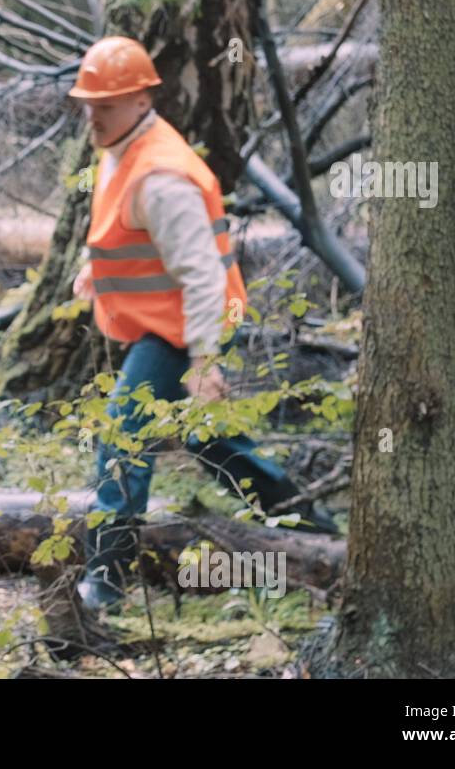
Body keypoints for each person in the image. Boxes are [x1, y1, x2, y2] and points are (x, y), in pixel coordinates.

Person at [67, 36, 339, 612]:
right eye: (87, 101)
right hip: (166, 321)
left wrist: (204, 363)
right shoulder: (118, 144)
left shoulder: (164, 179)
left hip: (192, 324)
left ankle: (105, 579)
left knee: (124, 432)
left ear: (142, 101)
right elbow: (127, 234)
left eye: (105, 103)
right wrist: (95, 271)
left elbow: (203, 280)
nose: (92, 113)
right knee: (205, 436)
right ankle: (307, 528)